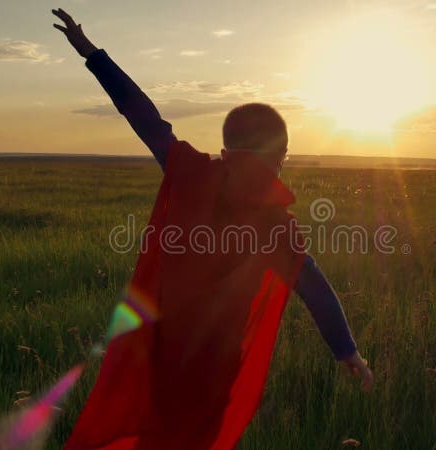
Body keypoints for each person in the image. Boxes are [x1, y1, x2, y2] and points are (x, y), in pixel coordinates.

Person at [52, 8, 372, 450]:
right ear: (278, 155)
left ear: (227, 145)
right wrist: (346, 350)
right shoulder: (274, 221)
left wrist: (92, 54)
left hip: (162, 354)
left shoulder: (188, 171)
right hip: (215, 368)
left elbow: (145, 118)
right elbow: (313, 286)